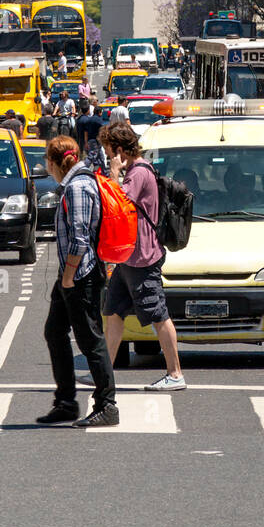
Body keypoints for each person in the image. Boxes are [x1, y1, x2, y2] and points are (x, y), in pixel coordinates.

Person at [38, 136, 118, 427]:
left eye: (47, 162)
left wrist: (69, 277)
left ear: (55, 161)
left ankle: (107, 405)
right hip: (71, 274)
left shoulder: (77, 187)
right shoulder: (76, 183)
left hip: (81, 274)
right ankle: (67, 402)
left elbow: (80, 239)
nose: (46, 168)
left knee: (90, 340)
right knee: (54, 331)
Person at [101, 121, 186, 391]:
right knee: (113, 312)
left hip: (142, 257)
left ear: (119, 150)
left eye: (109, 152)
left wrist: (114, 173)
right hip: (129, 258)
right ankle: (104, 373)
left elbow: (117, 204)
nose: (108, 157)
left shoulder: (137, 173)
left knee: (158, 314)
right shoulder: (138, 169)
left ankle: (175, 374)